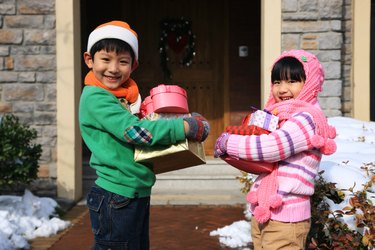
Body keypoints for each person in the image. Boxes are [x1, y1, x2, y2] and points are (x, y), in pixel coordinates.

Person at [79, 20, 210, 250]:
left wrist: (172, 118)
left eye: (123, 61)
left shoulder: (123, 97)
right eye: (105, 59)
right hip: (115, 195)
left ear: (133, 65)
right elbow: (135, 133)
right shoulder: (96, 98)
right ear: (90, 60)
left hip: (132, 190)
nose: (113, 68)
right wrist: (185, 128)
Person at [214, 49, 336, 249]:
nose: (282, 89)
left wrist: (230, 143)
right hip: (265, 211)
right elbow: (264, 160)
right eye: (277, 82)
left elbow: (274, 147)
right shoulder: (280, 116)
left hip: (287, 217)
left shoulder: (307, 118)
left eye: (292, 81)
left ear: (310, 83)